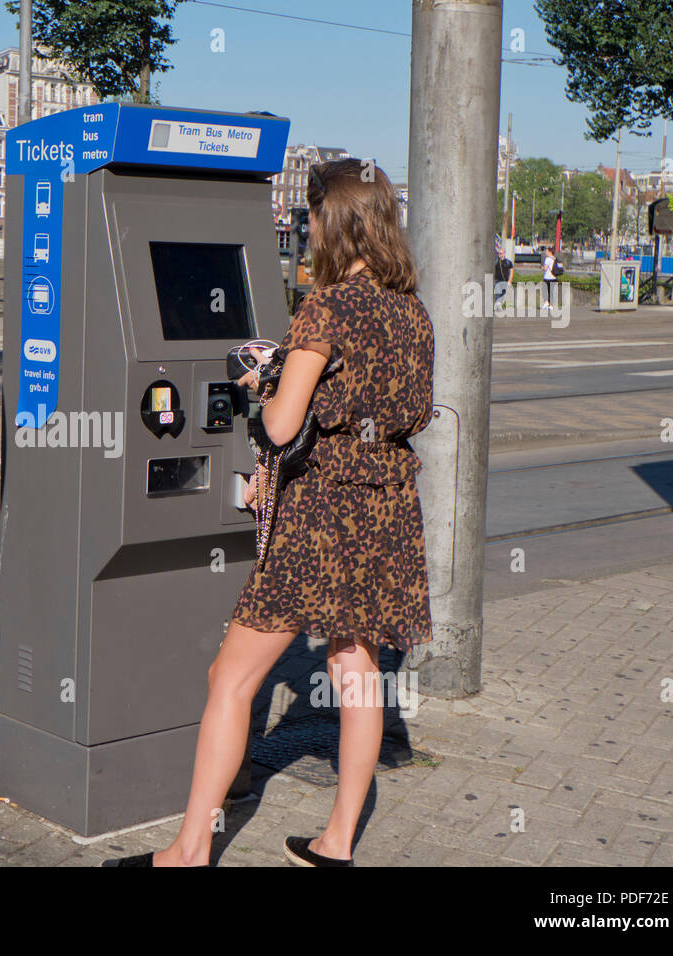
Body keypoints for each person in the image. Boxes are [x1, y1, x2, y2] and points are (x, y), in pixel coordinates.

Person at [106, 159, 434, 868]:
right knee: (357, 671)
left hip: (323, 518)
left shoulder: (327, 308)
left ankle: (190, 851)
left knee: (231, 677)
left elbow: (284, 427)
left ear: (333, 223)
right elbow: (406, 414)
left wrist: (265, 384)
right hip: (386, 509)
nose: (307, 227)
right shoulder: (412, 310)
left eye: (312, 216)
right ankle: (337, 842)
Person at [541, 245, 557, 310]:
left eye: (546, 251)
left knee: (545, 291)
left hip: (548, 277)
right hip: (554, 277)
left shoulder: (548, 259)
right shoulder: (554, 258)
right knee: (551, 292)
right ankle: (550, 305)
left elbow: (545, 268)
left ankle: (546, 303)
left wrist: (542, 268)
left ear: (549, 252)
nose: (545, 252)